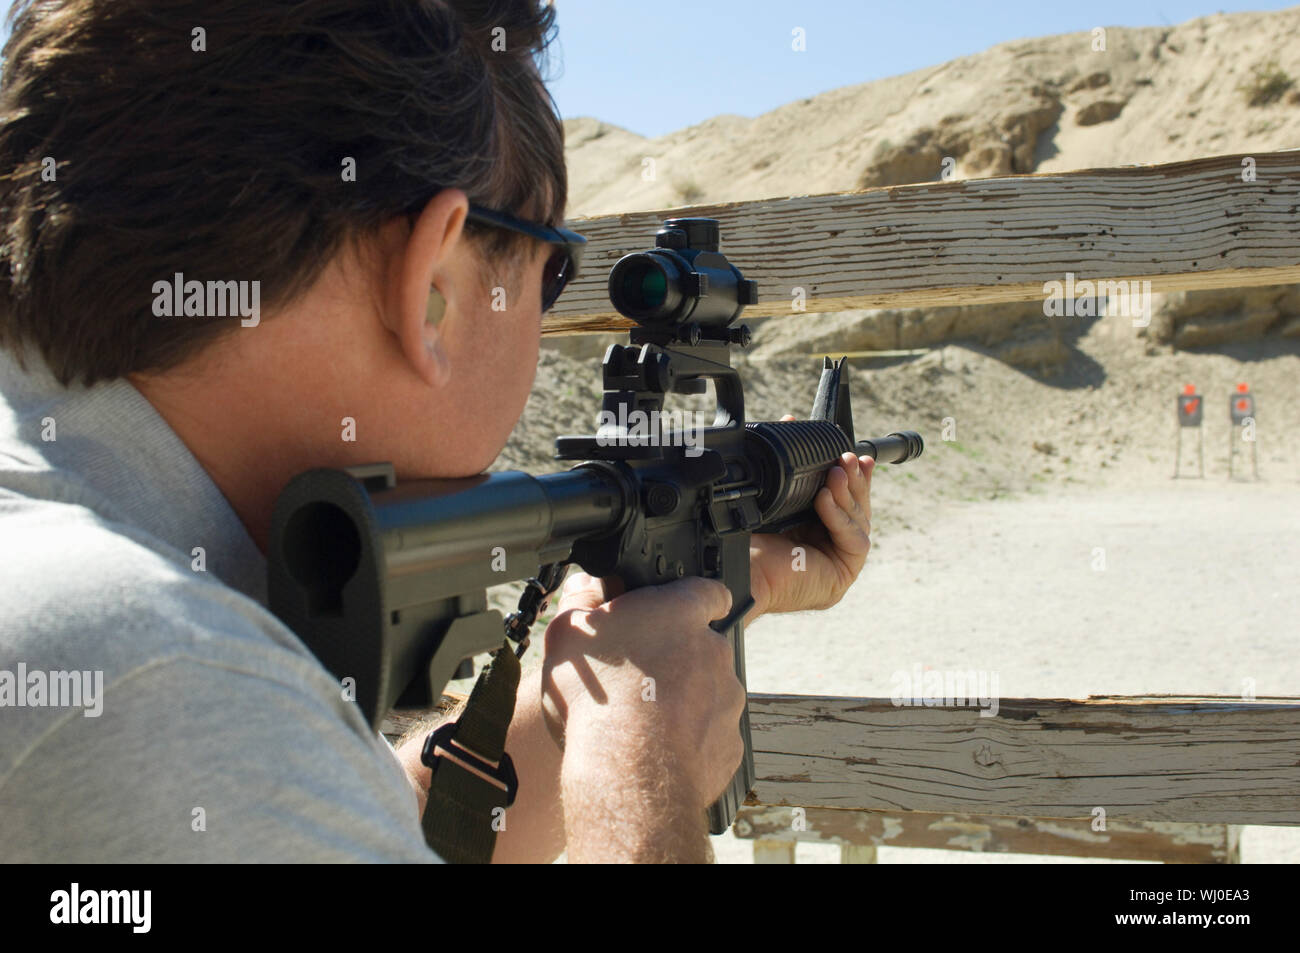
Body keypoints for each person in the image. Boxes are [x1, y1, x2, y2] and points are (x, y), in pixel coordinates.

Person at [0, 0, 874, 863]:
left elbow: (353, 817)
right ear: (433, 285)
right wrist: (645, 784)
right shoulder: (173, 680)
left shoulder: (98, 578)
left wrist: (621, 691)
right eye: (551, 270)